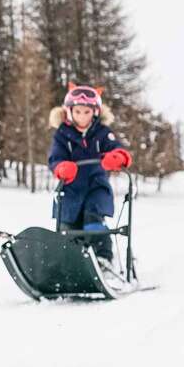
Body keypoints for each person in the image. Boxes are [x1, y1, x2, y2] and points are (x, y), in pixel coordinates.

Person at [47, 84, 132, 269]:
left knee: (93, 221)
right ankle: (68, 261)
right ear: (69, 111)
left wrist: (117, 157)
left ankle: (102, 258)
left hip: (96, 186)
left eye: (87, 112)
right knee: (67, 227)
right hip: (69, 189)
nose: (82, 116)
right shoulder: (62, 134)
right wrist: (61, 168)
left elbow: (117, 149)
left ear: (94, 112)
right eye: (78, 111)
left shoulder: (102, 132)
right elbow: (55, 158)